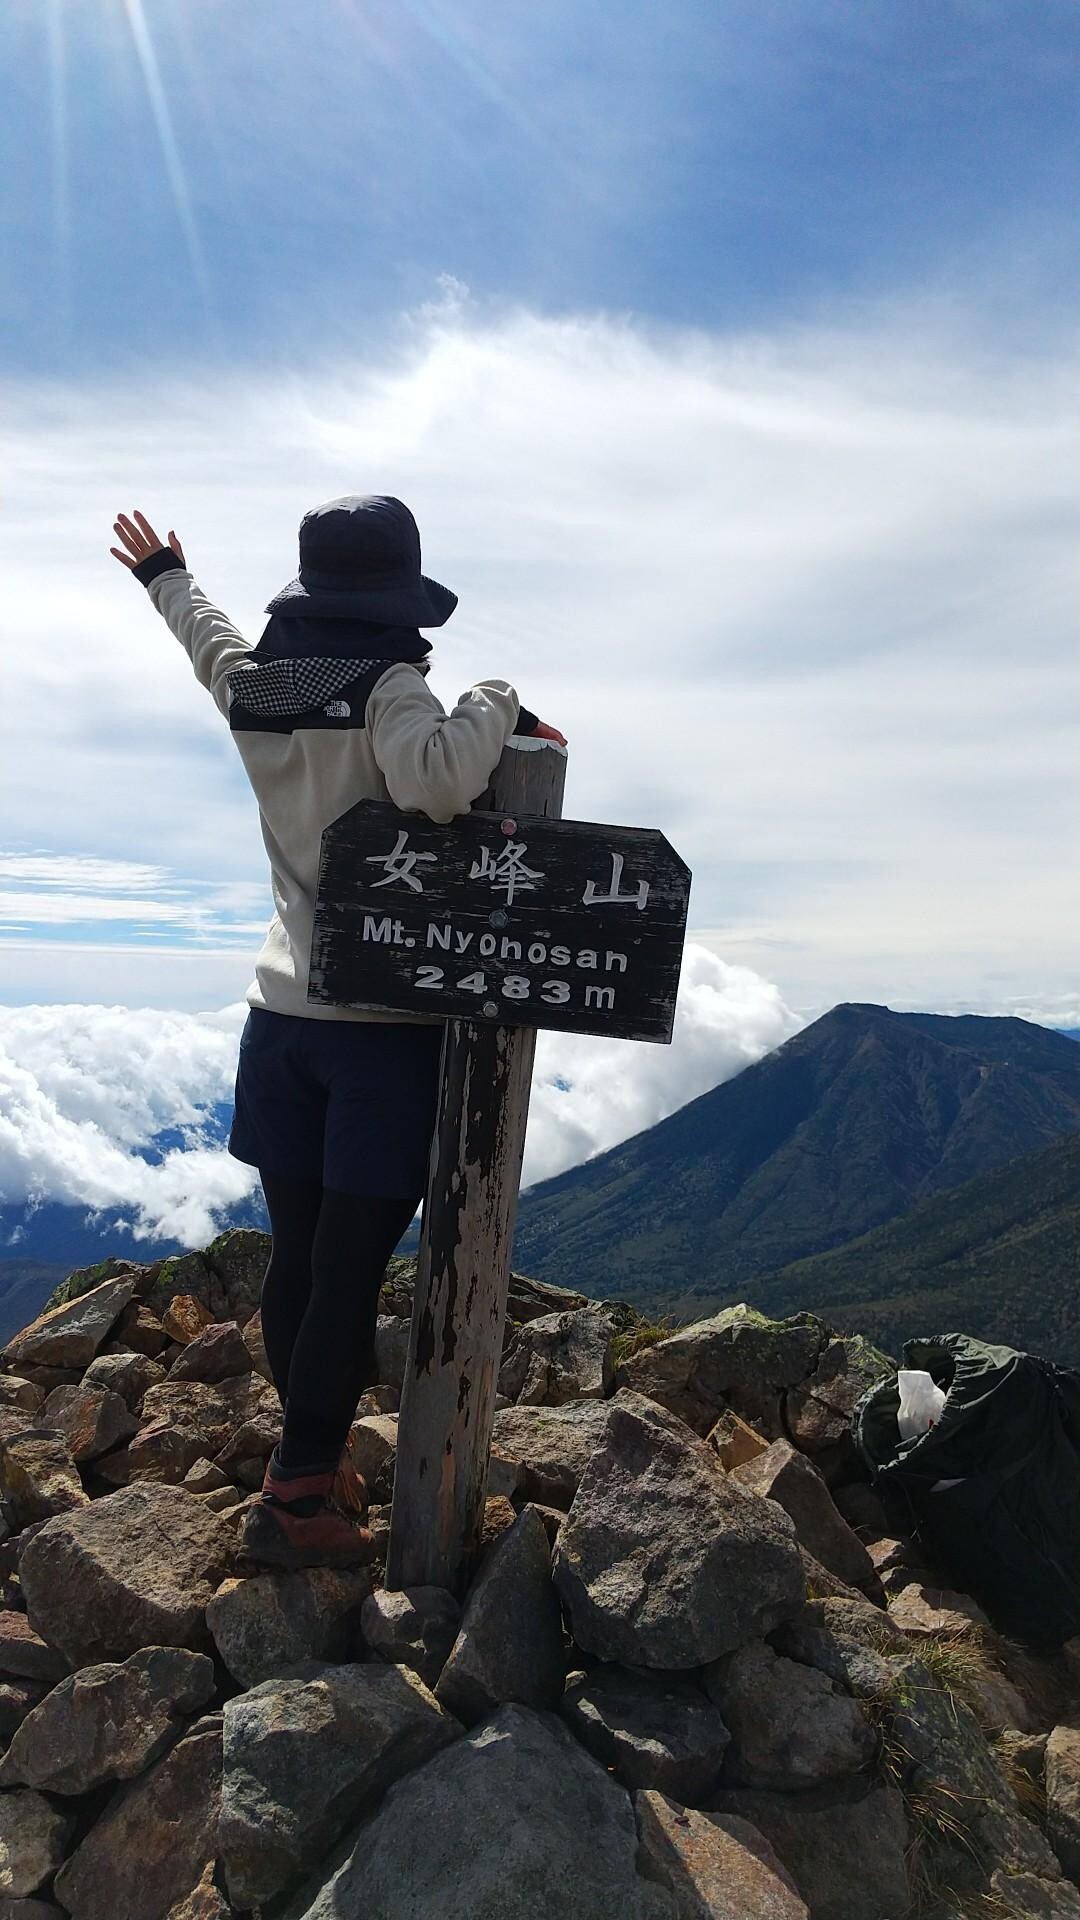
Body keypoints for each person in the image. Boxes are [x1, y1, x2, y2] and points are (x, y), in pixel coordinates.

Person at [110, 495, 567, 1568]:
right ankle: (298, 1497)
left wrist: (166, 577)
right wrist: (499, 697)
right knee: (352, 1269)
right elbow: (440, 779)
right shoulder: (393, 688)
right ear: (397, 597)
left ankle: (304, 1462)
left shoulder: (264, 689)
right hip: (379, 1031)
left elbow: (208, 641)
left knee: (301, 1259)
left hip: (280, 1023)